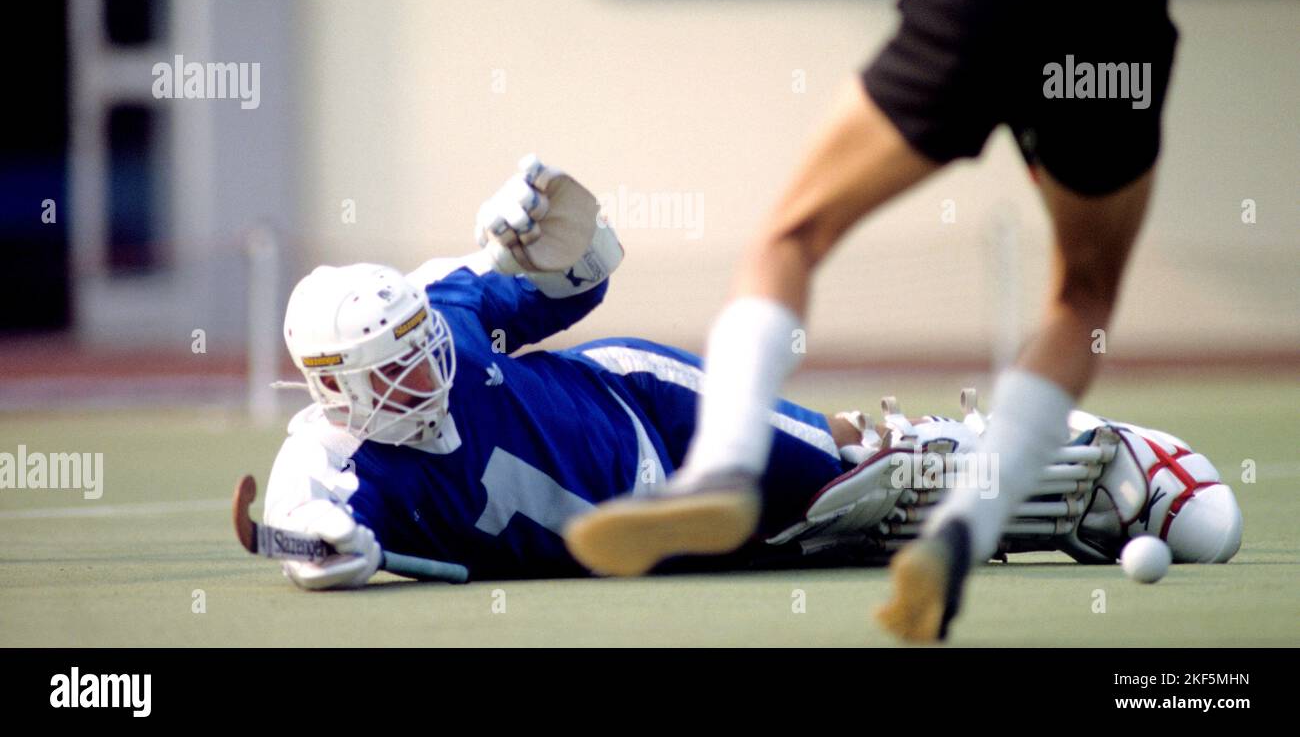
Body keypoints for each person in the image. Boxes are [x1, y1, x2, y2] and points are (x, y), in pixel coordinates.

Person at [563, 0, 1201, 642]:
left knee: (794, 233)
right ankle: (965, 530)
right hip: (1119, 18)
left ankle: (720, 469)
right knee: (1081, 297)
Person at [261, 158, 1239, 591]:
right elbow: (320, 537)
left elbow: (578, 278)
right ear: (333, 387)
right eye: (387, 364)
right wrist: (321, 544)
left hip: (649, 412)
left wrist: (556, 238)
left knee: (852, 470)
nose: (419, 362)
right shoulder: (337, 465)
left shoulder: (445, 303)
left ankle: (1109, 463)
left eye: (414, 338)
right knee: (838, 531)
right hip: (637, 543)